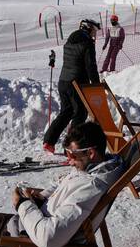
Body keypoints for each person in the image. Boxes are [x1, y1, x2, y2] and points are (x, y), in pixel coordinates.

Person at [43, 19, 101, 153]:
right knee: (80, 113)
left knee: (66, 112)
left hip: (63, 81)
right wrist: (96, 85)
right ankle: (71, 147)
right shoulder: (87, 43)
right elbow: (90, 66)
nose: (94, 34)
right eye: (94, 30)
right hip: (76, 83)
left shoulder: (70, 40)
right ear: (88, 29)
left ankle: (49, 141)